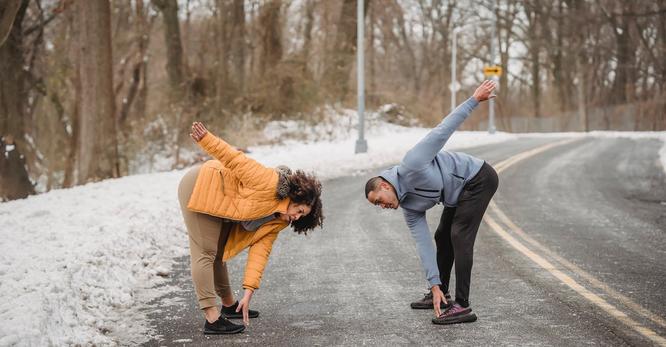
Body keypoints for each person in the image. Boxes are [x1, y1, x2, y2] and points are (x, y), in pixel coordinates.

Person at [364, 80, 499, 325]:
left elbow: (442, 130)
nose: (382, 206)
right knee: (440, 236)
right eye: (377, 206)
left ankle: (463, 306)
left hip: (478, 178)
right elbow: (423, 244)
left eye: (379, 201)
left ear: (384, 185)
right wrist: (433, 284)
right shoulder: (409, 208)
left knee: (459, 235)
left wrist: (474, 100)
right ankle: (442, 293)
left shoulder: (412, 163)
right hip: (457, 195)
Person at [178, 122, 324, 334]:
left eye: (301, 217)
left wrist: (248, 293)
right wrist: (206, 139)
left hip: (221, 204)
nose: (296, 217)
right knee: (206, 252)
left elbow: (260, 253)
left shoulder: (280, 220)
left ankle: (229, 306)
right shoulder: (269, 182)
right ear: (295, 197)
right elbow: (236, 160)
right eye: (299, 210)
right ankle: (211, 318)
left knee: (219, 255)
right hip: (200, 185)